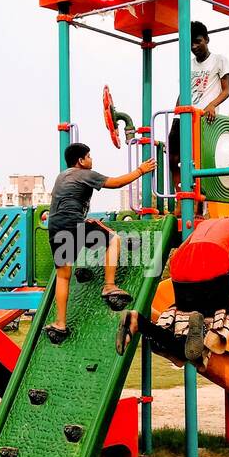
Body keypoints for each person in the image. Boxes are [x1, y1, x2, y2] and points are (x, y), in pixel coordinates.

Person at [117, 217, 229, 363]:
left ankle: (138, 322)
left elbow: (182, 248)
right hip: (213, 261)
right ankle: (201, 331)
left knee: (183, 344)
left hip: (180, 266)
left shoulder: (204, 224)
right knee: (224, 313)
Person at [44, 142, 156, 344]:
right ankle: (109, 286)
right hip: (73, 225)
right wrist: (141, 170)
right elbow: (116, 183)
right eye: (89, 156)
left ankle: (60, 323)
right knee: (113, 239)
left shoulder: (62, 176)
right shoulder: (85, 174)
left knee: (63, 276)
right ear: (81, 161)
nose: (91, 159)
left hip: (56, 228)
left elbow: (65, 204)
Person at [168, 21, 229, 196]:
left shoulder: (219, 60)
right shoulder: (188, 63)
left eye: (198, 41)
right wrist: (176, 115)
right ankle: (181, 197)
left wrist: (212, 105)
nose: (194, 47)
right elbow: (183, 91)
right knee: (174, 156)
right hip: (184, 114)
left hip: (203, 116)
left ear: (207, 39)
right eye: (191, 44)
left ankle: (197, 200)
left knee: (197, 158)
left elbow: (226, 90)